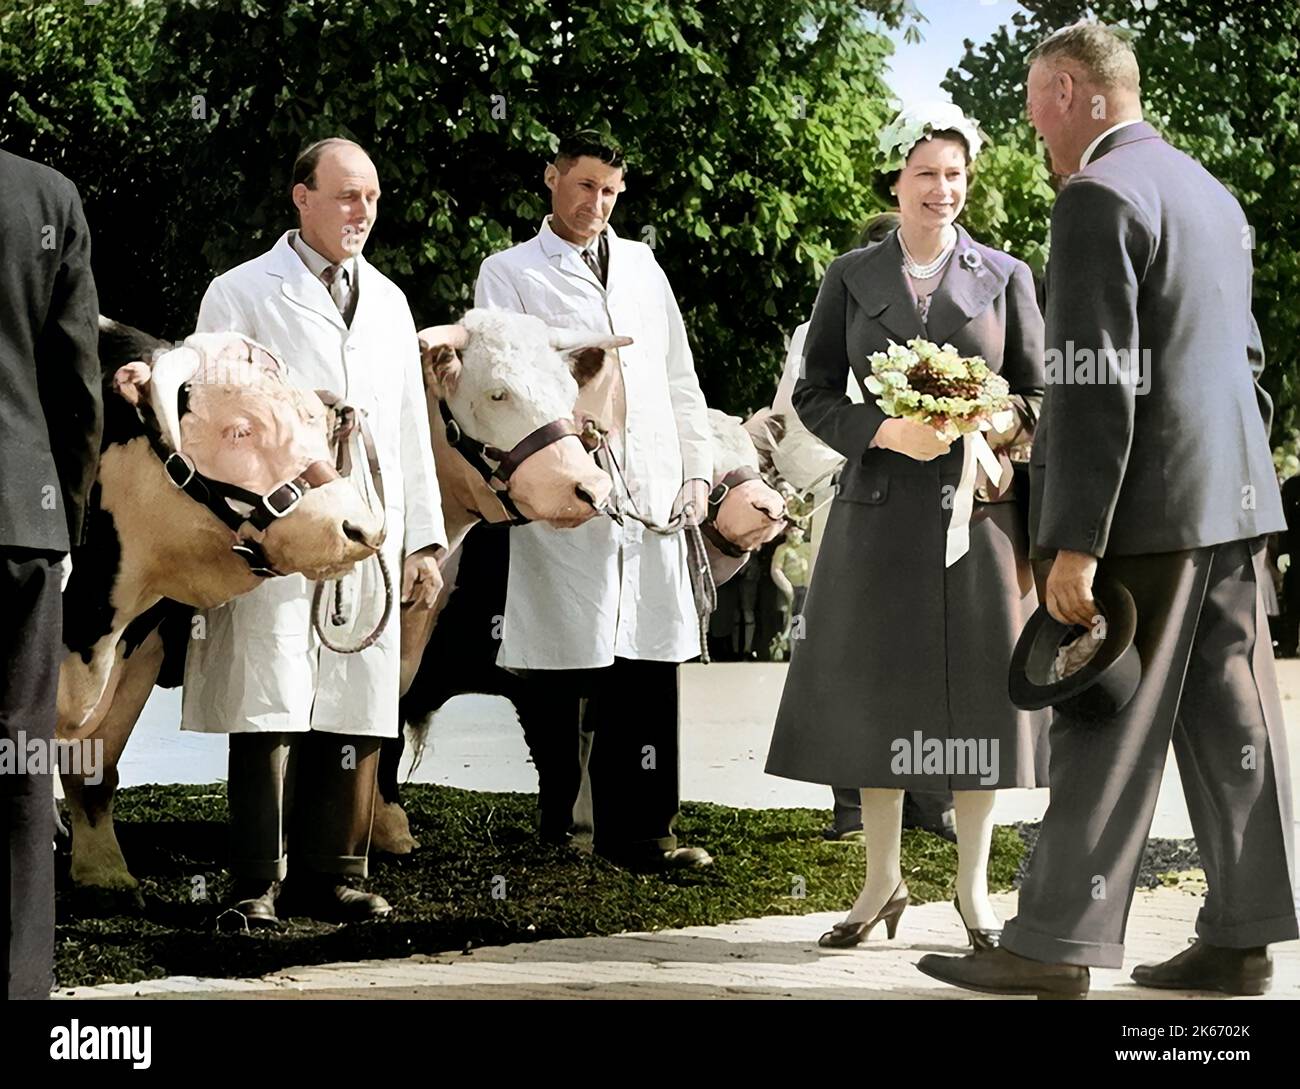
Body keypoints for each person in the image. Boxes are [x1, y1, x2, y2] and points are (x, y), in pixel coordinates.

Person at [919, 22, 1298, 1000]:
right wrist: (1239, 477)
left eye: (1033, 101)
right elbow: (1247, 362)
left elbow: (1093, 387)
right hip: (1233, 501)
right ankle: (1242, 939)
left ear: (1062, 92)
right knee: (1230, 715)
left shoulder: (1096, 197)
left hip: (1143, 510)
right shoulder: (1209, 192)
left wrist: (1072, 543)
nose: (1031, 124)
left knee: (1101, 713)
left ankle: (1052, 946)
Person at [765, 102, 1049, 949]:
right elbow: (814, 392)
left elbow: (1039, 396)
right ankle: (879, 881)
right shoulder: (850, 276)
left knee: (978, 704)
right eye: (926, 173)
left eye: (956, 174)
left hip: (978, 519)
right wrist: (883, 430)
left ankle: (972, 890)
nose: (943, 189)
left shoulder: (1006, 275)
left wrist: (989, 423)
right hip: (878, 511)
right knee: (878, 697)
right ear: (895, 181)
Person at [181, 138, 447, 925]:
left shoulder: (392, 302)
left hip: (365, 519)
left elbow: (408, 430)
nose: (361, 211)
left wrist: (424, 538)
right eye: (344, 195)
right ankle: (254, 882)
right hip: (276, 522)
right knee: (269, 691)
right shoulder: (240, 292)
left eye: (370, 197)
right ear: (301, 197)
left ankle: (332, 873)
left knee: (356, 694)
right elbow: (210, 412)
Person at [474, 130, 715, 871]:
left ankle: (646, 832)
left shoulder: (641, 264)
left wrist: (698, 470)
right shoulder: (509, 270)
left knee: (647, 660)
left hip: (652, 483)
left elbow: (678, 374)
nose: (596, 204)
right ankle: (564, 821)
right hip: (565, 476)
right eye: (583, 186)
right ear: (551, 179)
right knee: (567, 661)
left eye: (610, 191)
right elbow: (499, 374)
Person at [0, 150, 102, 998]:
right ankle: (19, 980)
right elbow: (77, 381)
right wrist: (61, 521)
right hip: (19, 522)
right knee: (21, 750)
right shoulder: (46, 194)